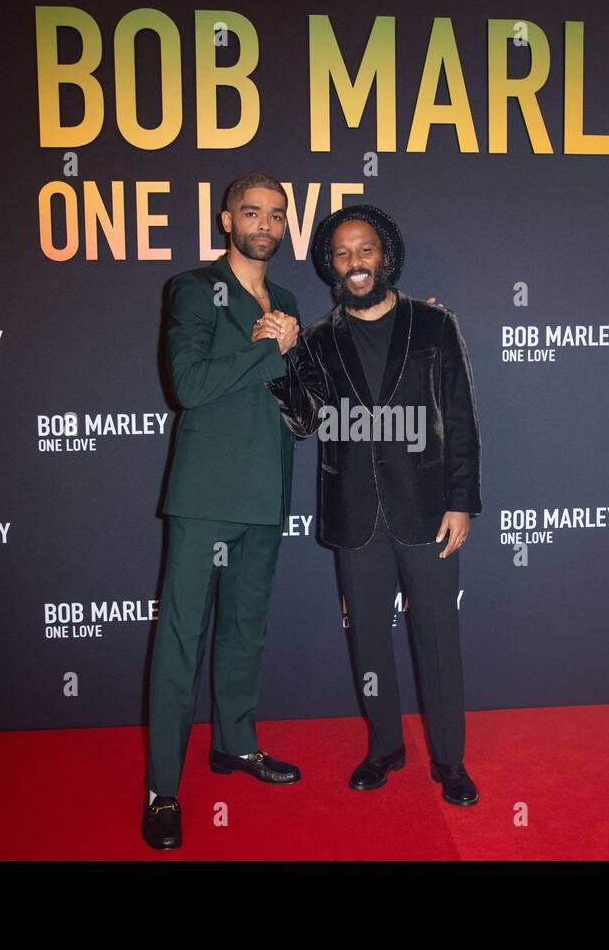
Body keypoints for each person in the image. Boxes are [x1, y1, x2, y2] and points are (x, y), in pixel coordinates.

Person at [266, 204, 482, 806]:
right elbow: (304, 422)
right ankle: (384, 748)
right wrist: (285, 358)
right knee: (367, 639)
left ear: (384, 254)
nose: (355, 263)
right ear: (329, 266)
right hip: (354, 514)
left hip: (428, 510)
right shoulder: (319, 339)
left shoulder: (433, 325)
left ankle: (450, 760)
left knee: (437, 638)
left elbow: (460, 418)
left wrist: (461, 501)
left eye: (364, 250)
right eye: (342, 254)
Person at [143, 173, 302, 850]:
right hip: (206, 497)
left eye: (275, 214)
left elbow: (289, 392)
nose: (264, 223)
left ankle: (235, 745)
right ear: (226, 219)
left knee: (246, 632)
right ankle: (162, 790)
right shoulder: (192, 289)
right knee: (181, 641)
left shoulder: (288, 300)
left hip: (267, 495)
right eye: (252, 212)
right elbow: (190, 385)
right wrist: (268, 347)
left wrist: (295, 365)